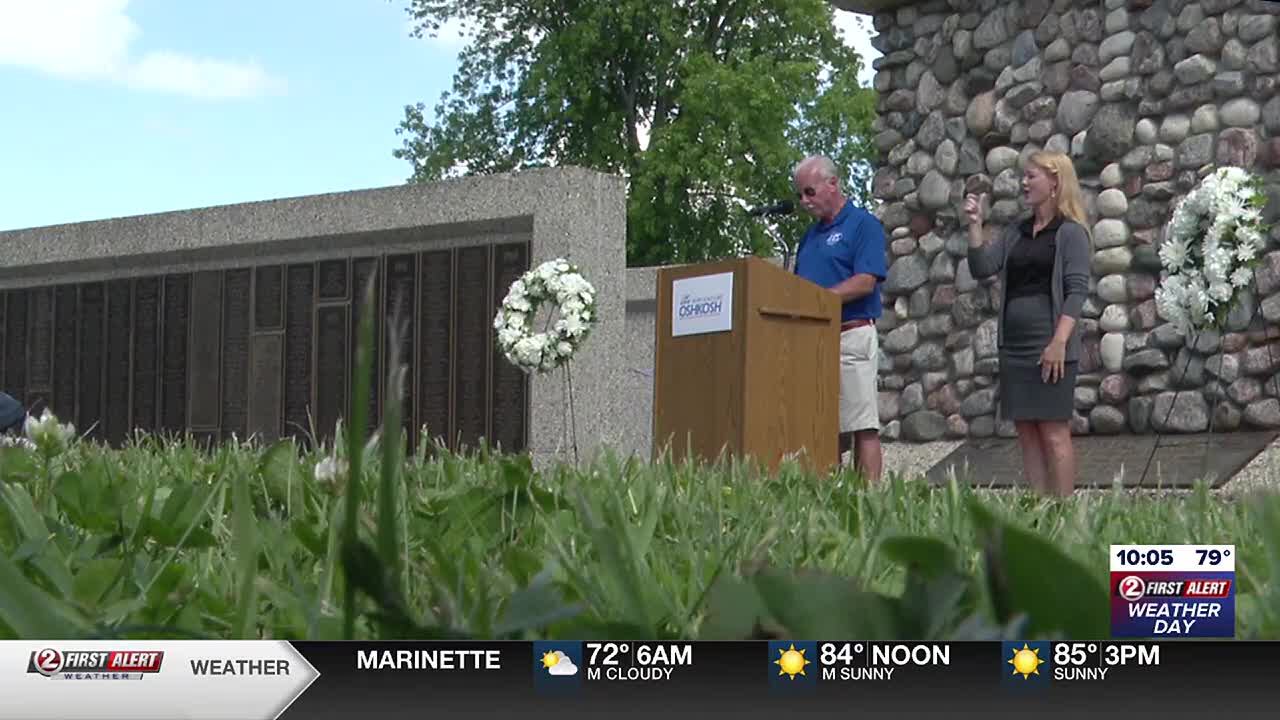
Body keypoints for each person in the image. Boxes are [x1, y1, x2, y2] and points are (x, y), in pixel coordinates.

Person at [964, 151, 1091, 497]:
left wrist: (1058, 342)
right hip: (1015, 347)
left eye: (1031, 176)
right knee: (1026, 431)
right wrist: (975, 224)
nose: (1023, 182)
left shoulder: (1070, 233)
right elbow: (982, 267)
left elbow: (1076, 292)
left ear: (1054, 182)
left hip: (1050, 342)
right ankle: (1039, 508)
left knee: (1052, 430)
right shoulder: (1015, 232)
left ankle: (1063, 511)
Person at [792, 155, 887, 482]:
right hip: (814, 342)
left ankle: (869, 500)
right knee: (824, 427)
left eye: (809, 192)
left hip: (851, 336)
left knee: (862, 425)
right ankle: (830, 496)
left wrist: (820, 300)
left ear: (832, 183)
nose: (804, 201)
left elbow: (866, 280)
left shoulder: (863, 225)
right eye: (799, 195)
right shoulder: (808, 237)